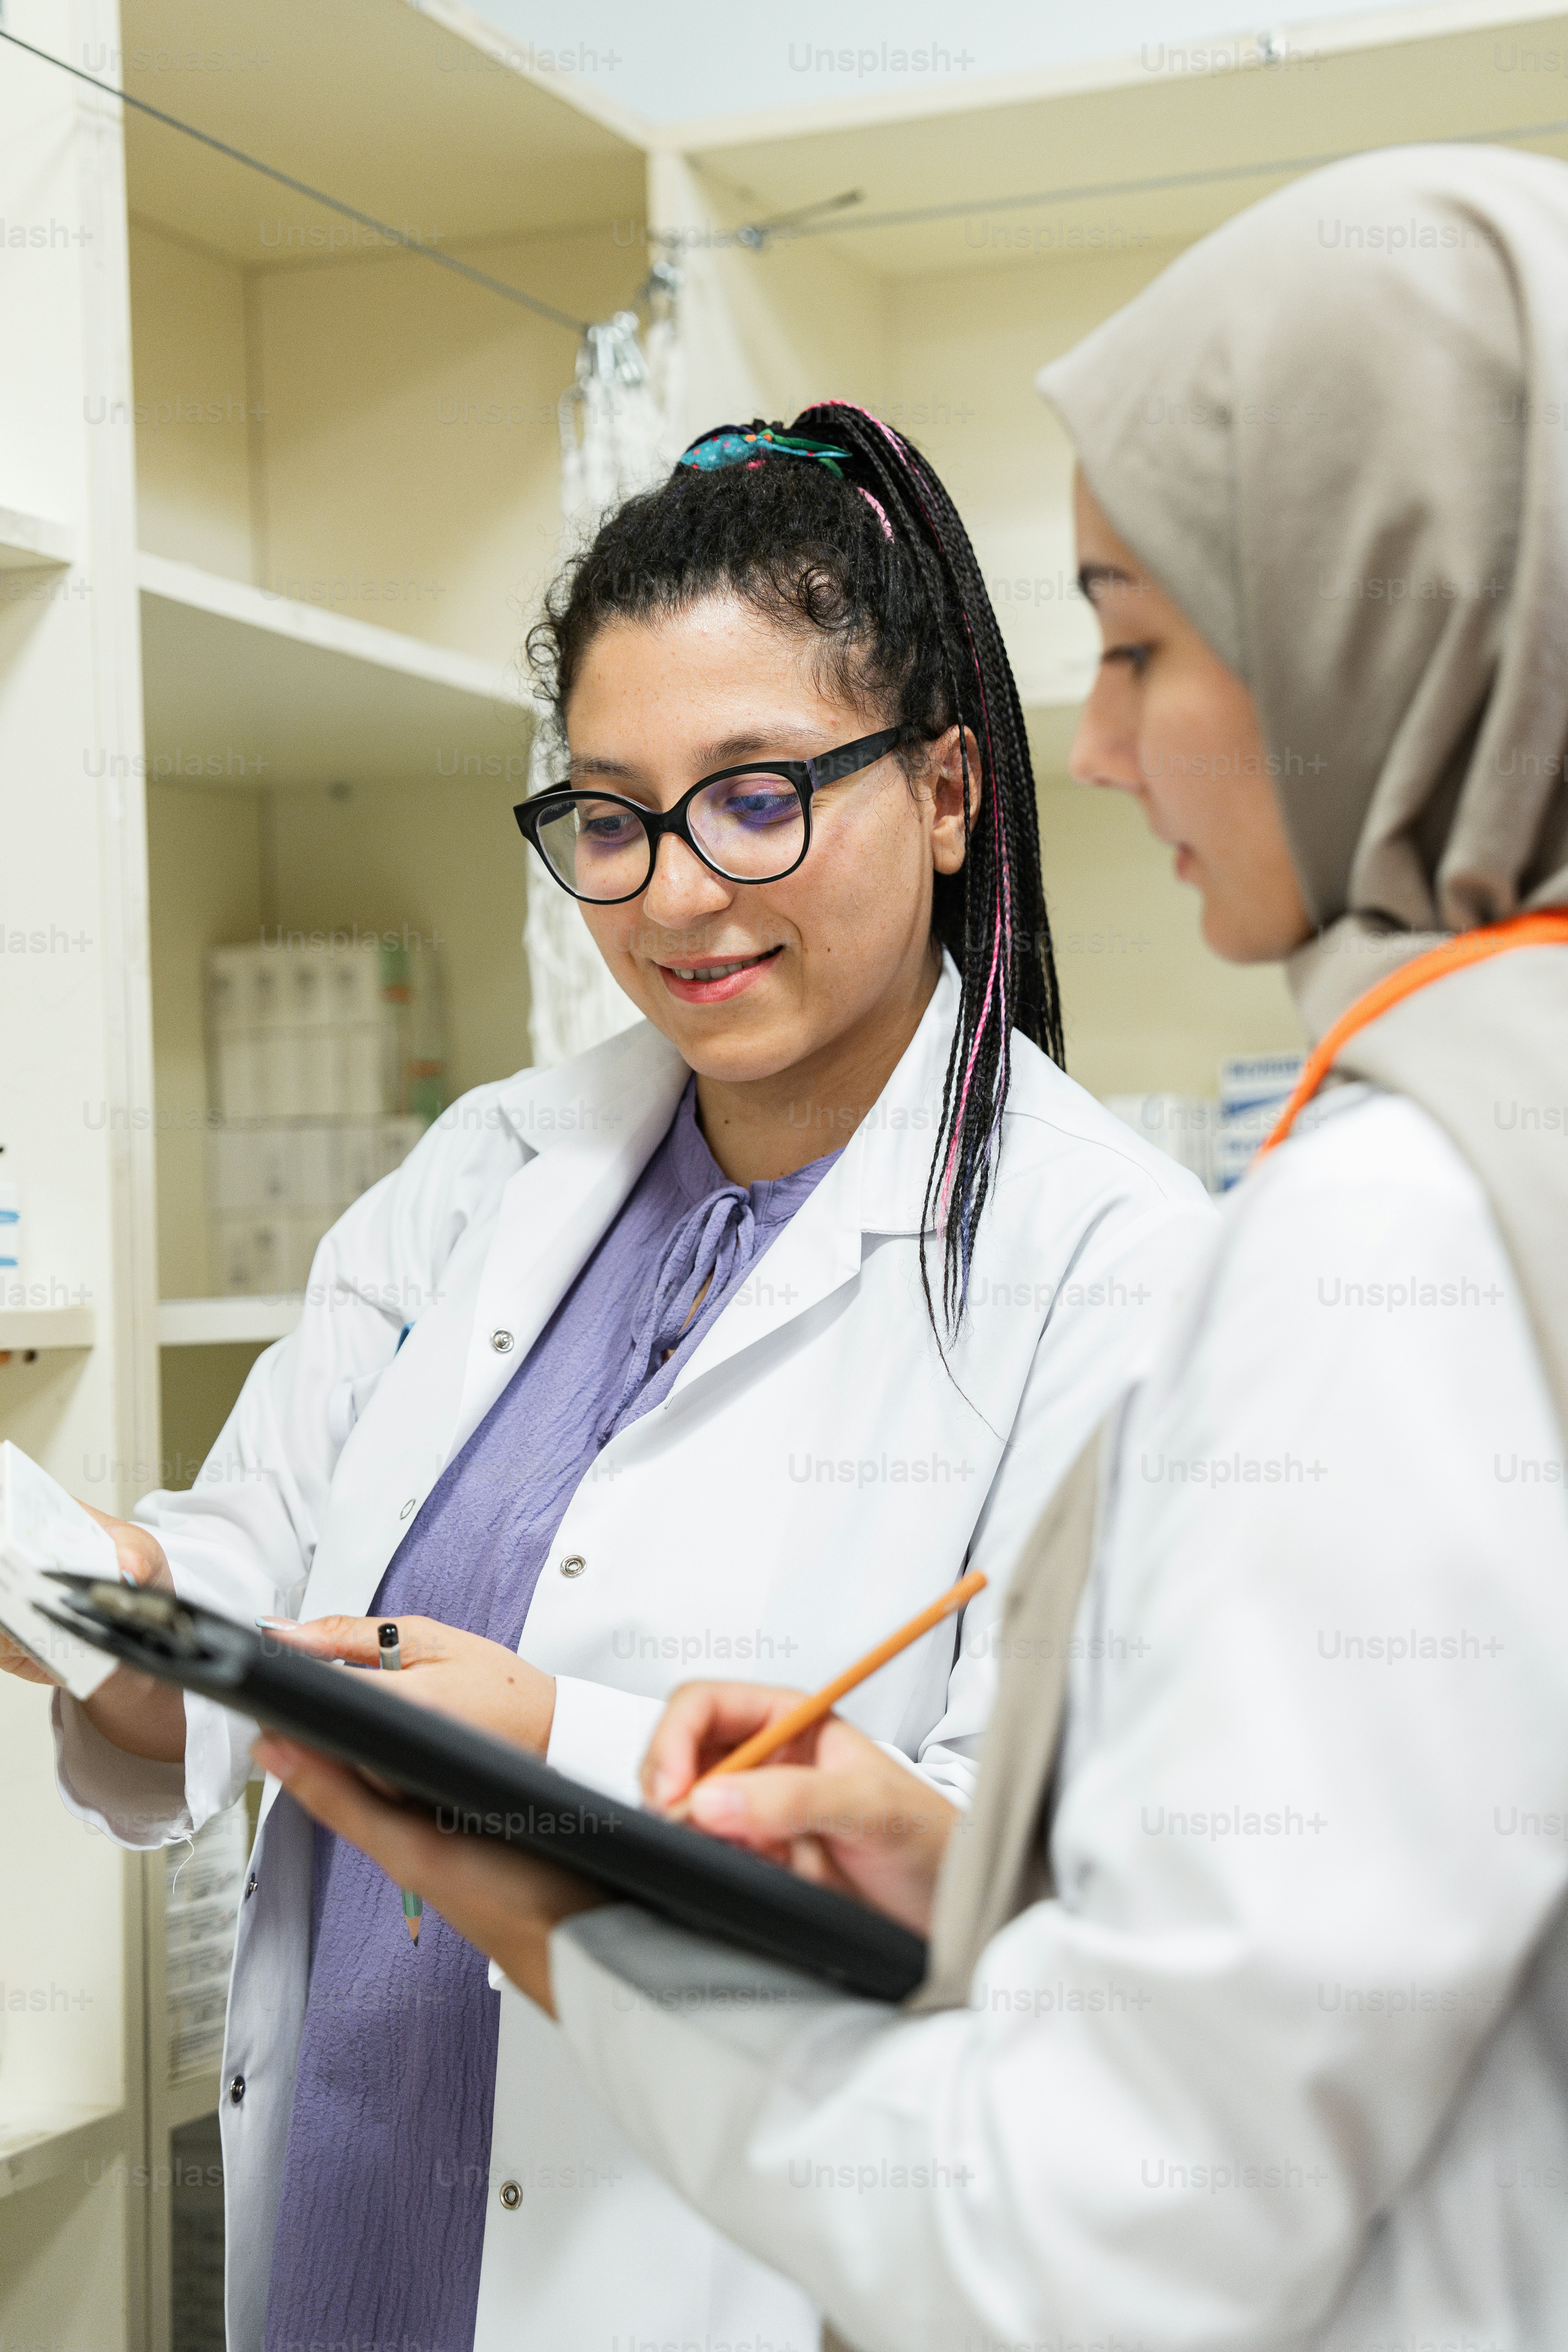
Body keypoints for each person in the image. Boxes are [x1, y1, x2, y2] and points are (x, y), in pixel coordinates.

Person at [262, 148, 1568, 2352]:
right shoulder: (1485, 1122)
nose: (1109, 740)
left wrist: (550, 1889)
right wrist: (964, 1862)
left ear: (1386, 612)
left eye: (1146, 640)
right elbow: (1380, 1909)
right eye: (608, 816)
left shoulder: (1393, 1215)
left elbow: (1125, 2217)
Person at [3, 404, 1215, 2352]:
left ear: (954, 789)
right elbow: (236, 1598)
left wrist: (541, 1751)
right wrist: (59, 1592)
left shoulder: (1112, 1267)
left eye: (758, 795)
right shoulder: (485, 1171)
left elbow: (1037, 1901)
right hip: (340, 2231)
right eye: (612, 814)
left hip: (699, 2275)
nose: (671, 891)